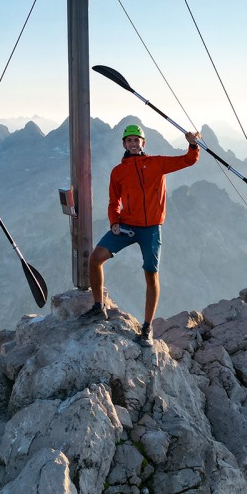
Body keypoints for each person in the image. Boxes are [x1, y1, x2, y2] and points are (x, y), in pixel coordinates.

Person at [81, 123, 200, 344]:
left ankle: (147, 328)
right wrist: (114, 221)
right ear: (124, 144)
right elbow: (113, 202)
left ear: (143, 143)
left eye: (137, 140)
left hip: (151, 229)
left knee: (151, 275)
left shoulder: (157, 163)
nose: (134, 143)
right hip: (126, 226)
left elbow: (188, 160)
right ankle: (98, 307)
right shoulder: (118, 172)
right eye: (129, 140)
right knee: (96, 258)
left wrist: (193, 146)